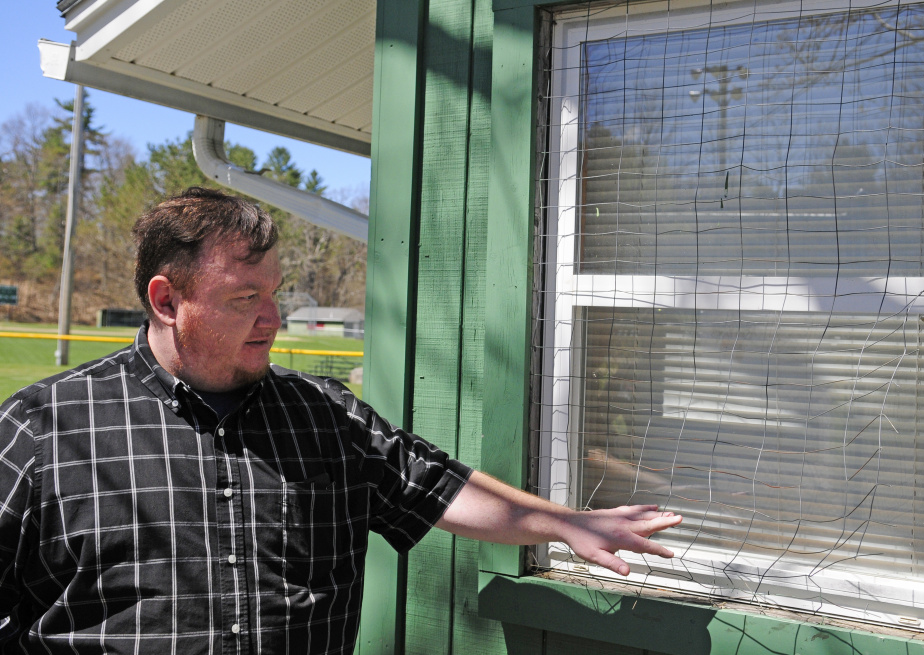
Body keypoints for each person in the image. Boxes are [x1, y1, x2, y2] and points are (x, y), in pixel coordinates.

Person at [0, 187, 681, 654]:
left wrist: (567, 521)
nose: (274, 318)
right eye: (245, 298)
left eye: (274, 294)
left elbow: (437, 486)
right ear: (167, 299)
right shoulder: (43, 431)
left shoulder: (322, 416)